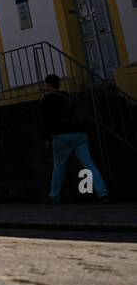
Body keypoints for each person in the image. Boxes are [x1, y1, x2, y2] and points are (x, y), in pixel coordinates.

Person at [41, 74, 110, 204]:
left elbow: (46, 120)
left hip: (61, 135)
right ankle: (103, 193)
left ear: (48, 85)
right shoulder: (68, 96)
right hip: (79, 134)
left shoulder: (47, 100)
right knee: (89, 164)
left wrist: (47, 137)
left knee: (59, 166)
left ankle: (54, 196)